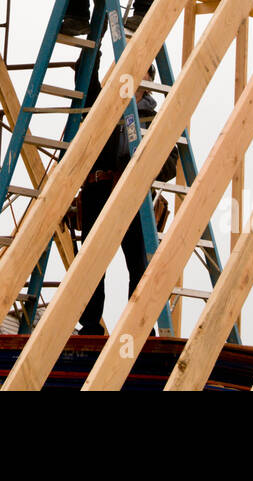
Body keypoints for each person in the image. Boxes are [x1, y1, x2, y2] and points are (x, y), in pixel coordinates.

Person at [76, 60, 151, 336]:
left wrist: (140, 159)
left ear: (149, 78)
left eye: (142, 69)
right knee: (92, 263)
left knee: (139, 264)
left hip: (130, 195)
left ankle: (139, 325)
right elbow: (86, 81)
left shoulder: (154, 116)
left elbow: (168, 164)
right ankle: (91, 325)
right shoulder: (109, 104)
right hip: (98, 191)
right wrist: (93, 53)